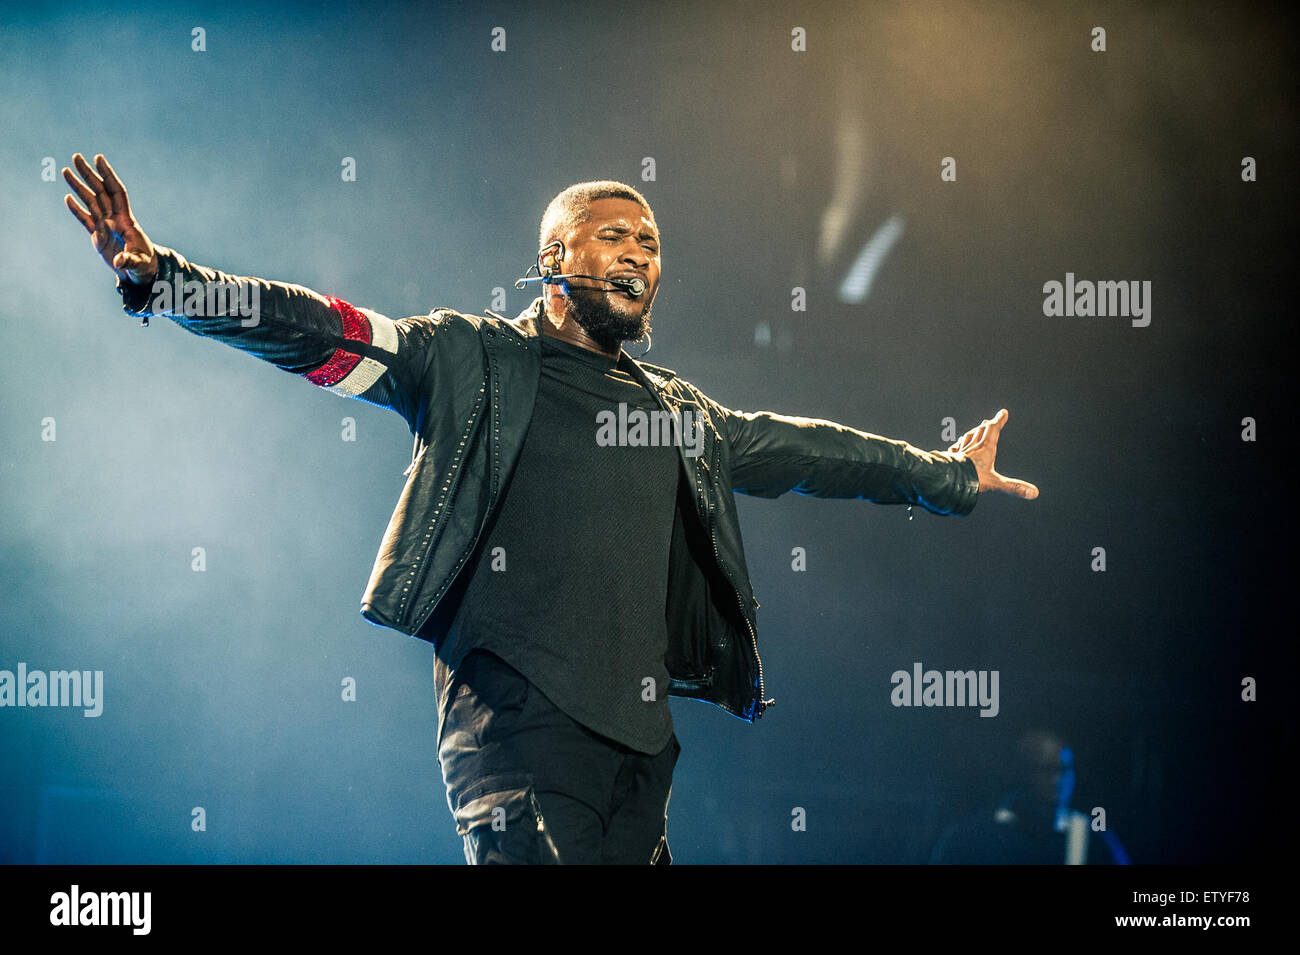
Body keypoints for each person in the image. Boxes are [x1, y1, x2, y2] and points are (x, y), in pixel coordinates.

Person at [63, 153, 1040, 864]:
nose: (639, 252)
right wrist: (169, 281)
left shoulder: (677, 415)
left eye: (650, 242)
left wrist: (944, 476)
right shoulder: (473, 359)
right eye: (614, 233)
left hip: (643, 750)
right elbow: (318, 327)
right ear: (552, 256)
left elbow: (808, 450)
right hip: (518, 724)